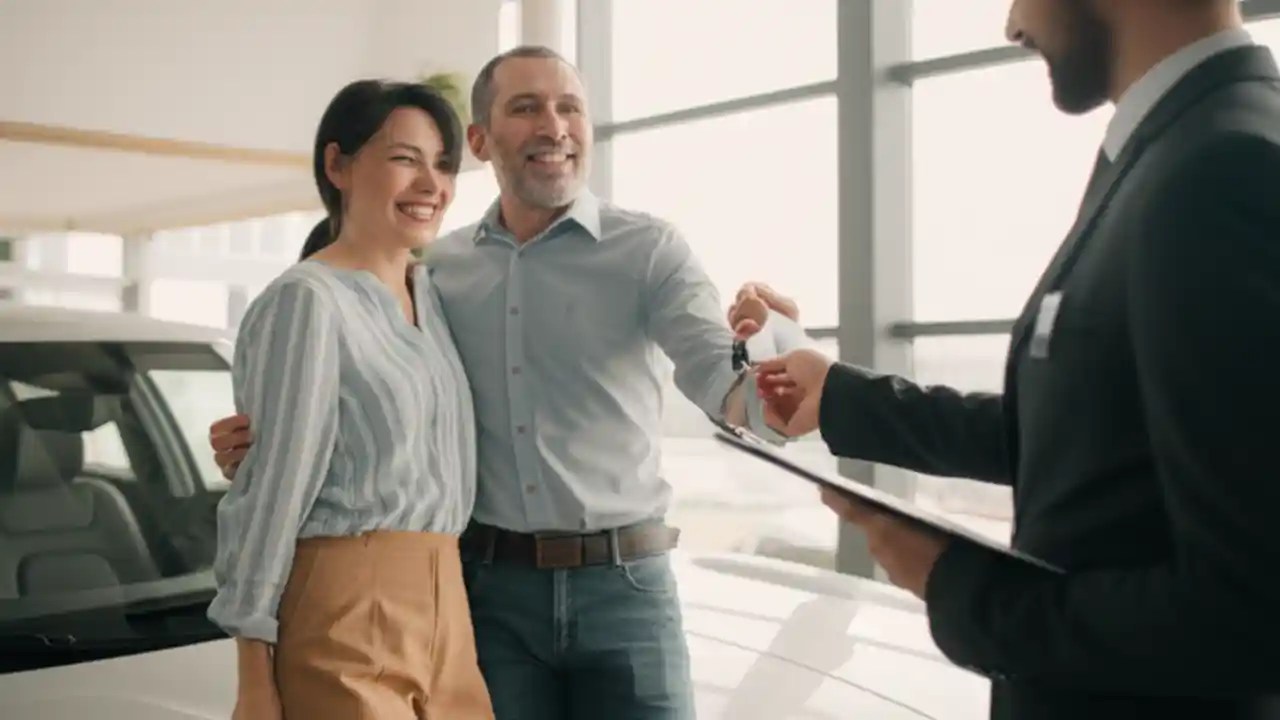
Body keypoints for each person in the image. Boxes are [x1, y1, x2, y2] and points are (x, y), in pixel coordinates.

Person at [208, 46, 801, 719]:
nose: (554, 126)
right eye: (526, 108)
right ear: (482, 140)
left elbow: (746, 402)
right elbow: (328, 400)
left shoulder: (648, 252)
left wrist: (781, 352)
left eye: (569, 107)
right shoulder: (438, 272)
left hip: (622, 590)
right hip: (486, 594)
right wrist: (266, 439)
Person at [752, 1, 1280, 719]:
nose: (1010, 24)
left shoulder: (1221, 169)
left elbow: (1249, 612)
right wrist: (844, 399)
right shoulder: (1182, 148)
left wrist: (961, 592)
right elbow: (1092, 433)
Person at [207, 79, 494, 720]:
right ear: (338, 165)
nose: (432, 184)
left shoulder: (434, 297)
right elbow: (271, 494)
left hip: (448, 602)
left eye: (444, 164)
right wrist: (255, 680)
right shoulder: (307, 301)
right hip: (345, 606)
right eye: (404, 158)